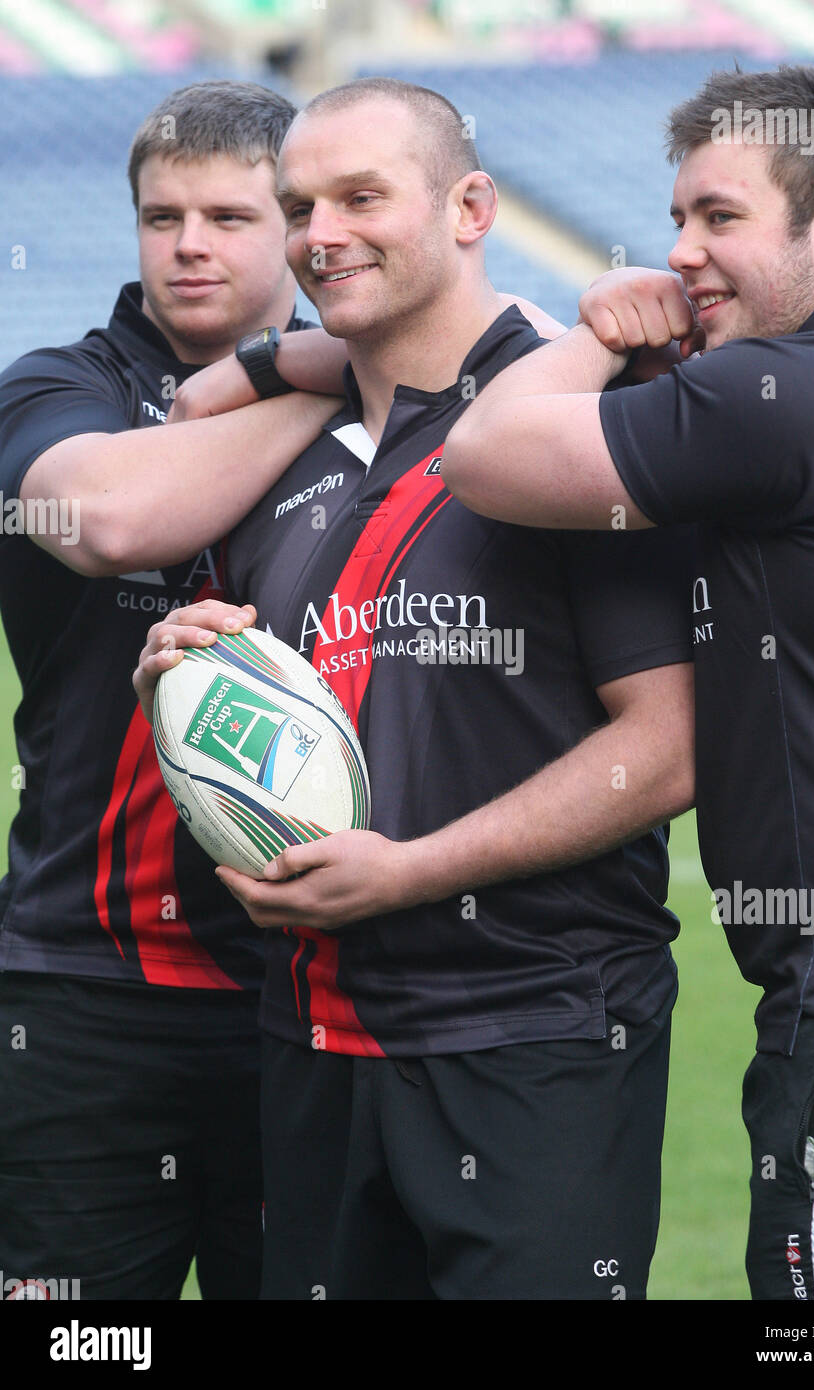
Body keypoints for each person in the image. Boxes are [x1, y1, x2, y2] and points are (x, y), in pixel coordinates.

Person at [133, 75, 697, 1301]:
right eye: (298, 205)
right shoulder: (292, 456)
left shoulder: (576, 424)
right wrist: (181, 682)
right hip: (312, 1047)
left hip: (532, 1036)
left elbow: (664, 748)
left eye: (361, 195)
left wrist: (411, 870)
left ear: (470, 205)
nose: (319, 231)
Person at [442, 64, 814, 1301]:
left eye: (716, 218)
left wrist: (598, 323)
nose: (679, 253)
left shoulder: (797, 394)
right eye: (673, 222)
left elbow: (485, 456)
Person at [0, 80, 348, 1301]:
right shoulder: (52, 388)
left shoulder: (390, 419)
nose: (189, 244)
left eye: (228, 217)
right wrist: (324, 378)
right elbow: (106, 515)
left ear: (298, 228)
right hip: (85, 987)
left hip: (306, 983)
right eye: (163, 218)